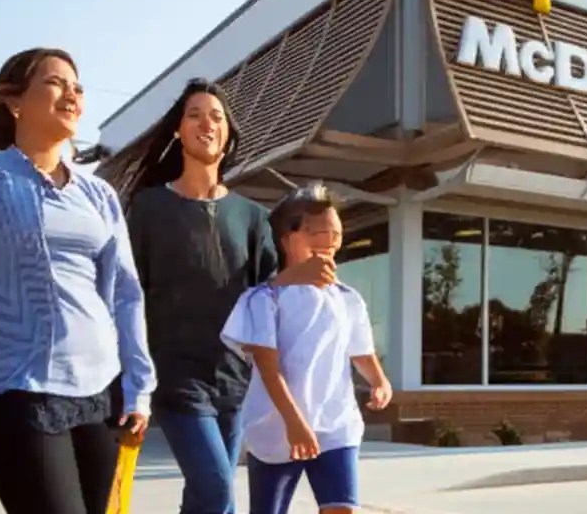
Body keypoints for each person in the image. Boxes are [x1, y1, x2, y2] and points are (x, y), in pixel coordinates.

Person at [0, 47, 156, 514]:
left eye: (78, 87)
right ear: (13, 100)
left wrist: (138, 387)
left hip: (100, 394)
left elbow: (125, 294)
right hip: (14, 392)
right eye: (56, 82)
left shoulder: (99, 194)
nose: (72, 94)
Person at [120, 78, 336, 514]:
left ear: (228, 134)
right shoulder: (148, 209)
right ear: (179, 130)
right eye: (195, 115)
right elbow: (126, 294)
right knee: (218, 489)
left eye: (216, 116)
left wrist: (299, 275)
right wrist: (128, 380)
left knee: (204, 496)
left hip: (234, 382)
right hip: (176, 376)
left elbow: (264, 298)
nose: (207, 123)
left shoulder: (253, 218)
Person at [220, 183, 392, 514]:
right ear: (286, 239)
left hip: (335, 426)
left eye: (336, 233)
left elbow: (360, 351)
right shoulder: (264, 300)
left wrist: (379, 381)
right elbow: (269, 369)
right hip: (276, 428)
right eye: (315, 233)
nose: (328, 242)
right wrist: (294, 423)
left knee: (342, 508)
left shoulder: (348, 299)